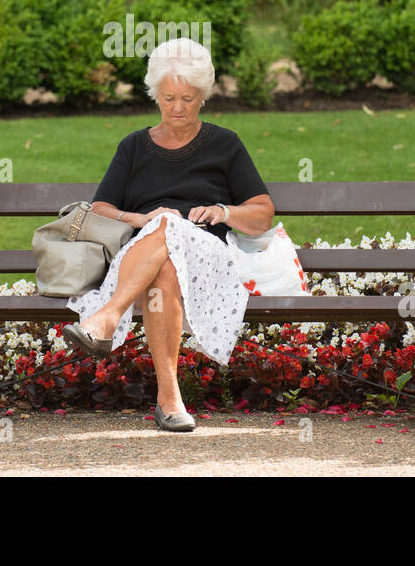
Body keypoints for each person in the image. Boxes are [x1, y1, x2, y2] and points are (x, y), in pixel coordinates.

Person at [64, 37, 275, 432]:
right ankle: (169, 400)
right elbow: (101, 210)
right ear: (155, 96)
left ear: (204, 98)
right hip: (145, 262)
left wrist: (223, 211)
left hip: (206, 261)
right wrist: (142, 218)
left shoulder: (225, 144)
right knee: (164, 247)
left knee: (171, 228)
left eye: (188, 99)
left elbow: (262, 214)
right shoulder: (133, 147)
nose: (178, 108)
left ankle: (107, 317)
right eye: (168, 98)